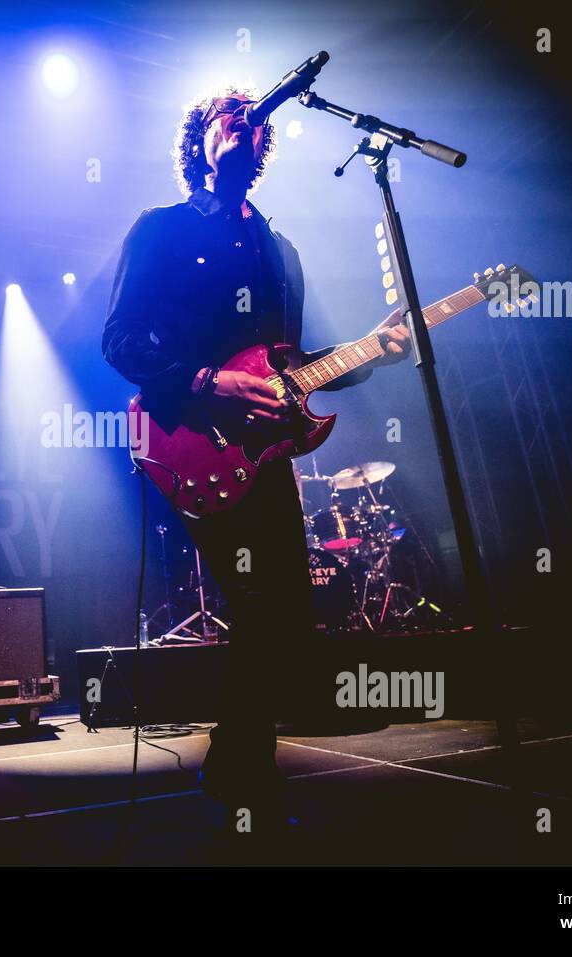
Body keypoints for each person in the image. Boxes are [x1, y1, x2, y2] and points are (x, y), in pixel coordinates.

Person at [102, 87, 412, 829]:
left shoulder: (283, 252)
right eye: (226, 118)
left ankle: (239, 764)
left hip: (262, 454)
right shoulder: (162, 230)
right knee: (262, 603)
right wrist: (210, 382)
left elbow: (294, 364)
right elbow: (121, 341)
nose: (245, 125)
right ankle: (246, 783)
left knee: (285, 614)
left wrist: (376, 351)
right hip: (189, 434)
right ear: (200, 144)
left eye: (254, 122)